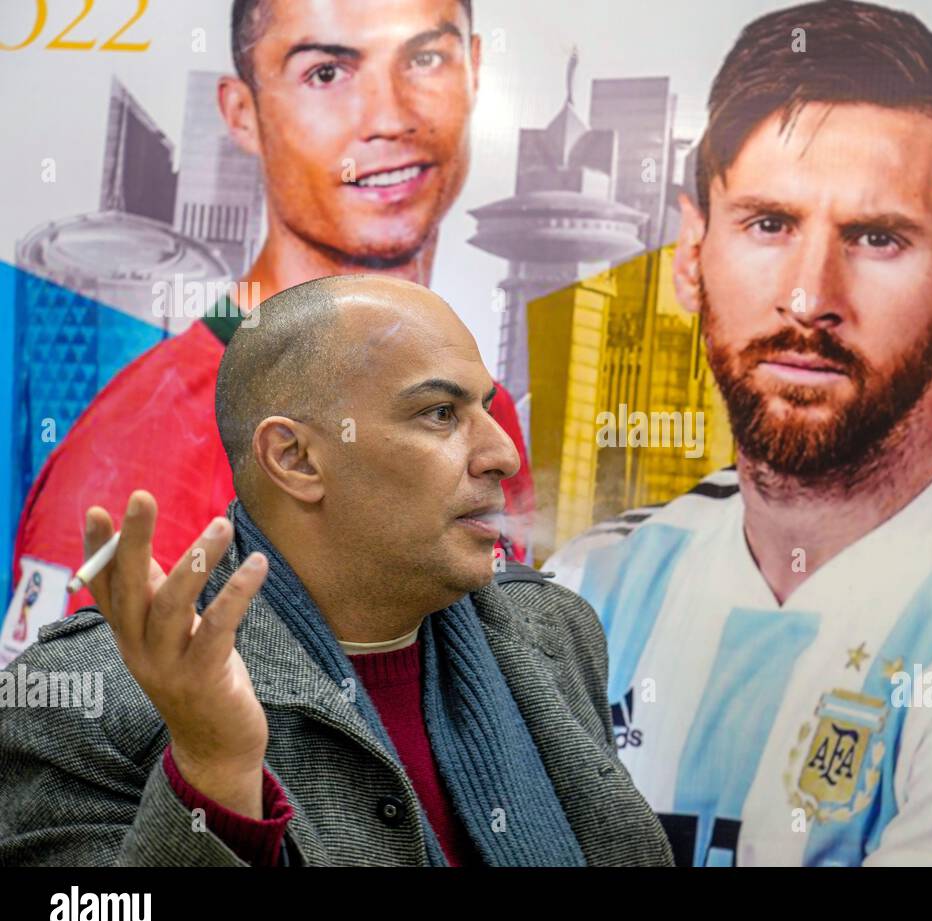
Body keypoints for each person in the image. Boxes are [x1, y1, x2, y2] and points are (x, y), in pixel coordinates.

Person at [544, 0, 932, 866]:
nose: (810, 298)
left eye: (878, 237)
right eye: (769, 224)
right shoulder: (589, 585)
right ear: (692, 255)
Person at [0, 275, 672, 867]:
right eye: (441, 414)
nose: (500, 453)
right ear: (294, 459)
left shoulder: (554, 632)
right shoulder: (84, 697)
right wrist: (212, 769)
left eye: (487, 409)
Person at [1, 0, 533, 668]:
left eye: (425, 58)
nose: (392, 117)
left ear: (475, 69)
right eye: (326, 73)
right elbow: (66, 751)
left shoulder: (486, 413)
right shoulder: (139, 451)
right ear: (242, 113)